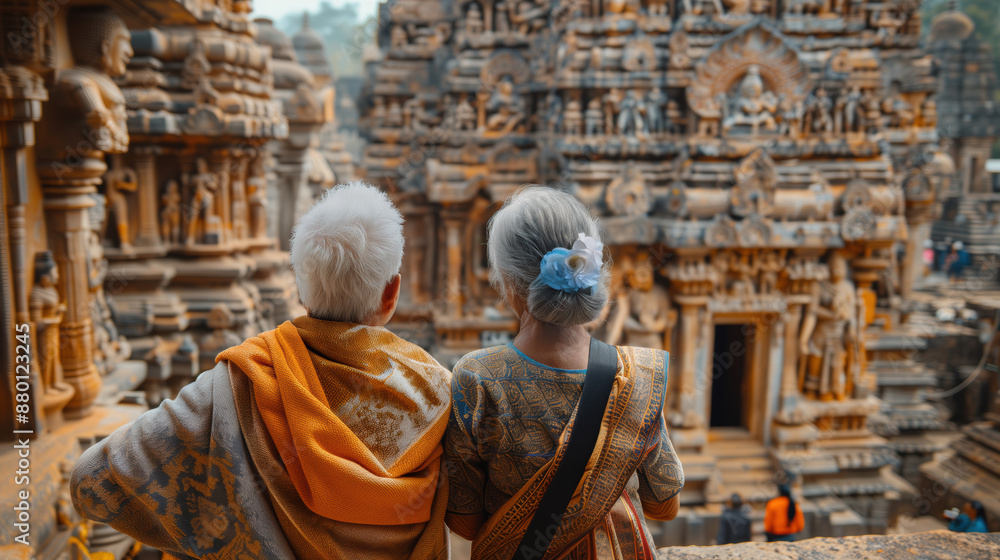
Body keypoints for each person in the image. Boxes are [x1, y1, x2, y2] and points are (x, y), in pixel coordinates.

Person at [71, 182, 453, 560]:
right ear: (392, 293)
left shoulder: (243, 380)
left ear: (301, 288)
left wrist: (211, 530)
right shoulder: (439, 391)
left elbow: (91, 481)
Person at [444, 187, 684, 559]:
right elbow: (664, 505)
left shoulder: (477, 379)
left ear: (508, 281)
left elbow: (464, 521)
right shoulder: (635, 376)